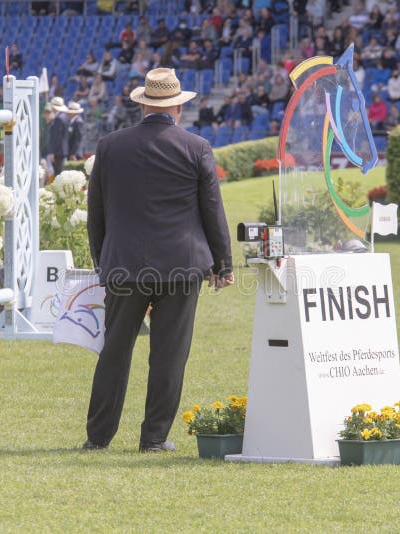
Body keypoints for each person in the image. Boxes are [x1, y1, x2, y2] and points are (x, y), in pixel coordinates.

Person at [84, 68, 233, 453]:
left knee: (114, 351)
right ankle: (153, 437)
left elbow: (96, 212)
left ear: (143, 105)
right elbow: (212, 211)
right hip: (182, 265)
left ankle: (98, 437)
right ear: (178, 107)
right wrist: (223, 265)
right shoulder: (196, 147)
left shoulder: (110, 145)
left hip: (123, 266)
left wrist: (104, 262)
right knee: (169, 355)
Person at [46, 97, 70, 177]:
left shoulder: (58, 119)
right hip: (62, 150)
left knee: (58, 174)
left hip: (58, 151)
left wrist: (52, 152)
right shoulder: (65, 116)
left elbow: (56, 137)